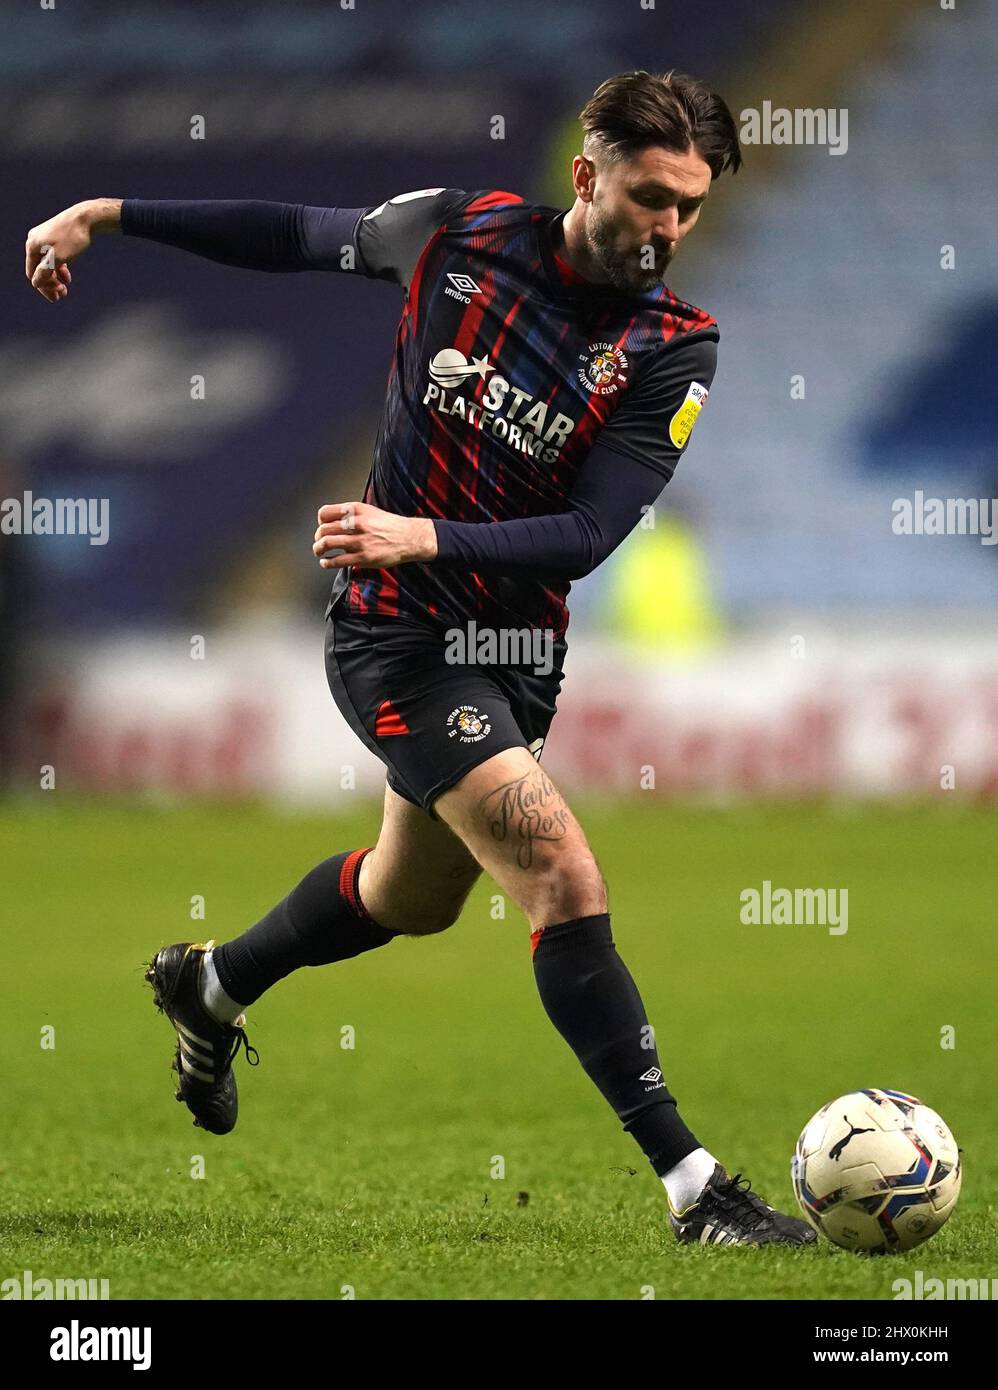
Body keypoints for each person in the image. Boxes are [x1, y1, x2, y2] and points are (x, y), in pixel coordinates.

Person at [25, 69, 815, 1247]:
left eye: (686, 209)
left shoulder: (672, 346)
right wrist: (112, 215)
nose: (664, 230)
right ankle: (695, 1188)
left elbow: (591, 534)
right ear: (586, 175)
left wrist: (422, 528)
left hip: (513, 655)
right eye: (648, 197)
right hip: (394, 638)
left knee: (410, 898)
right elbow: (292, 236)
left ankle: (212, 981)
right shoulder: (456, 232)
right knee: (558, 869)